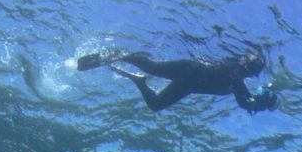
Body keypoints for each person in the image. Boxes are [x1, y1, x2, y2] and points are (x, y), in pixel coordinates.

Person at [77, 47, 279, 114]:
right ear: (243, 62)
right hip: (188, 69)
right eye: (247, 66)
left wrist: (259, 102)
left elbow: (245, 102)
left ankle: (140, 82)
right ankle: (114, 55)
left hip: (187, 85)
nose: (246, 71)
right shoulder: (233, 69)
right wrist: (254, 100)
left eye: (251, 71)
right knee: (152, 67)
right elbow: (239, 85)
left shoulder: (238, 86)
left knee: (155, 105)